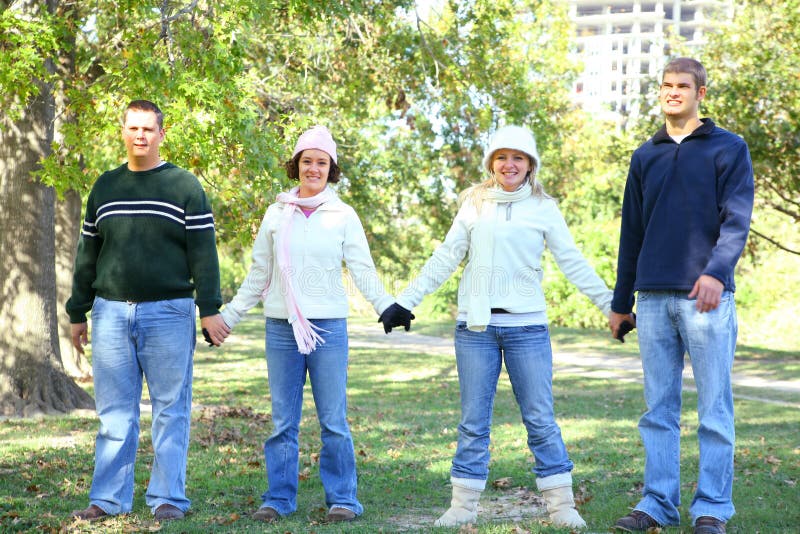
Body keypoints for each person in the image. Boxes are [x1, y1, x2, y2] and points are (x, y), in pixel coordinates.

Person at [389, 125, 612, 528]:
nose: (509, 164)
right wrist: (405, 301)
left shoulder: (544, 207)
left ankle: (562, 507)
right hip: (476, 330)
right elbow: (445, 257)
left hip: (528, 329)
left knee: (540, 418)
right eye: (502, 157)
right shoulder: (474, 204)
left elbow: (572, 261)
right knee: (473, 421)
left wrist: (611, 306)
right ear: (491, 162)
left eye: (519, 158)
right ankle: (462, 507)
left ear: (530, 165)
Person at [220, 125, 405, 523]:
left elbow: (362, 269)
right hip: (282, 328)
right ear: (296, 165)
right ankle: (279, 498)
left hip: (329, 330)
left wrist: (387, 305)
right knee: (283, 420)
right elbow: (259, 274)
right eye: (307, 161)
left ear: (331, 168)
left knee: (333, 420)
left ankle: (343, 499)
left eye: (322, 162)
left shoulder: (343, 215)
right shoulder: (276, 213)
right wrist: (230, 315)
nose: (314, 168)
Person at [609, 58, 754, 534]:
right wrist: (619, 301)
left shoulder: (729, 148)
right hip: (650, 299)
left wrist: (716, 273)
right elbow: (632, 232)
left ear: (701, 93)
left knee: (714, 408)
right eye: (667, 86)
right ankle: (657, 504)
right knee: (658, 410)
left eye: (683, 86)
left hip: (705, 298)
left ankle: (713, 508)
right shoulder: (644, 155)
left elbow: (736, 220)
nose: (673, 93)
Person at [66, 99, 229, 522]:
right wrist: (77, 311)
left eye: (148, 129)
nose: (140, 136)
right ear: (123, 131)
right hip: (110, 314)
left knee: (170, 408)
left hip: (170, 312)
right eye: (133, 128)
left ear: (161, 133)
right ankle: (107, 499)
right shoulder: (104, 187)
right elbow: (88, 254)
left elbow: (204, 254)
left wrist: (209, 308)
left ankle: (168, 498)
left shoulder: (185, 187)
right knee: (114, 413)